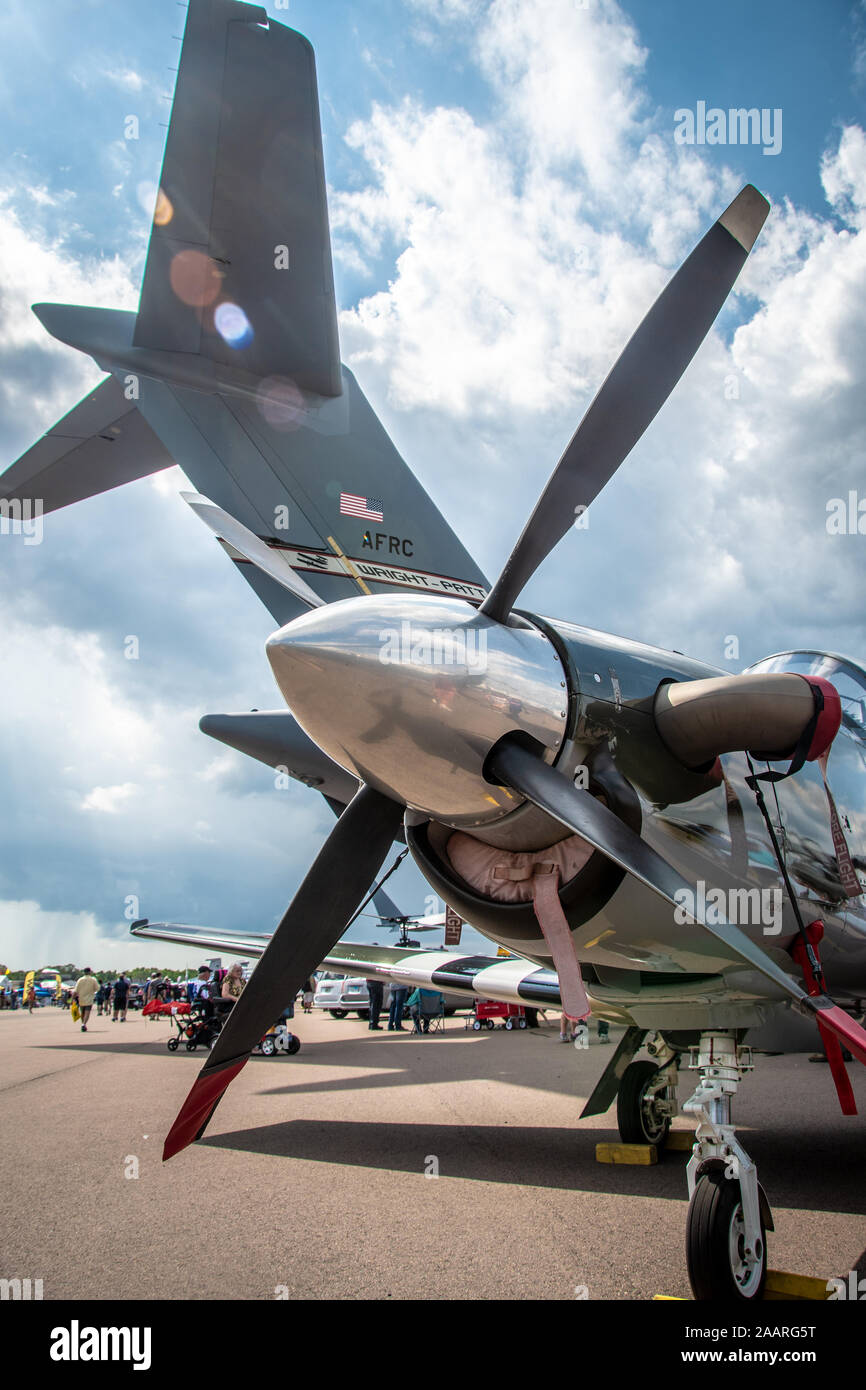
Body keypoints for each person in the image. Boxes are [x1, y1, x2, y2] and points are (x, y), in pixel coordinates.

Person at [74, 967, 99, 1032]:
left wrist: (72, 998)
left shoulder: (80, 980)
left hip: (81, 999)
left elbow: (75, 990)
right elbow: (97, 988)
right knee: (87, 1012)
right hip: (89, 999)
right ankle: (84, 1024)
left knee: (82, 1012)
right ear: (89, 972)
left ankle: (83, 1024)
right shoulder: (93, 979)